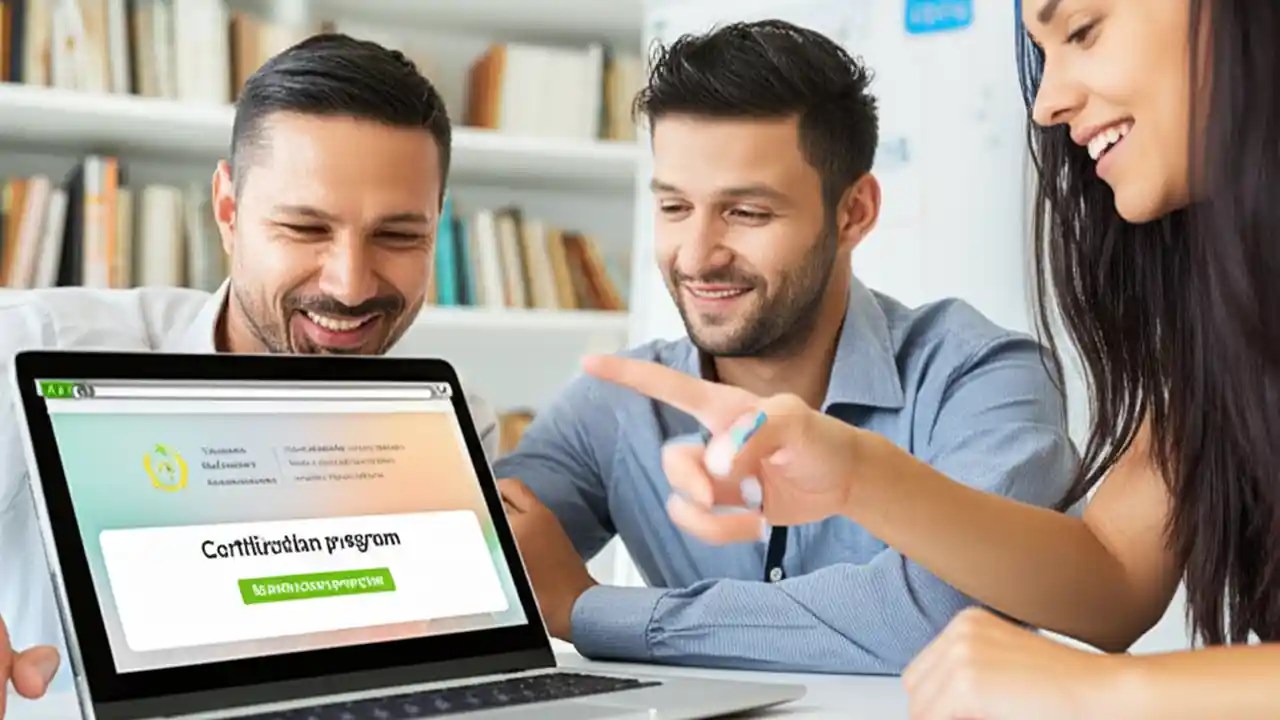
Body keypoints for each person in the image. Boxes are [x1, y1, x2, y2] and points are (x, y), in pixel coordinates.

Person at [586, 0, 1280, 716]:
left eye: (1081, 31)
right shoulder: (1220, 324)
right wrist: (857, 473)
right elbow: (1112, 581)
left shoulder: (977, 363)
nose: (1047, 102)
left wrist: (1100, 692)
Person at [492, 19, 1078, 675]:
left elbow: (951, 612)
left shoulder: (978, 377)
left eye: (746, 212)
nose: (697, 255)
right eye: (675, 208)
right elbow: (481, 569)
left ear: (853, 212)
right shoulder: (616, 406)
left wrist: (590, 610)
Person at [0, 34, 497, 710]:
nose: (350, 287)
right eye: (305, 228)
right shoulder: (30, 345)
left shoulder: (454, 415)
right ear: (229, 212)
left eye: (398, 236)